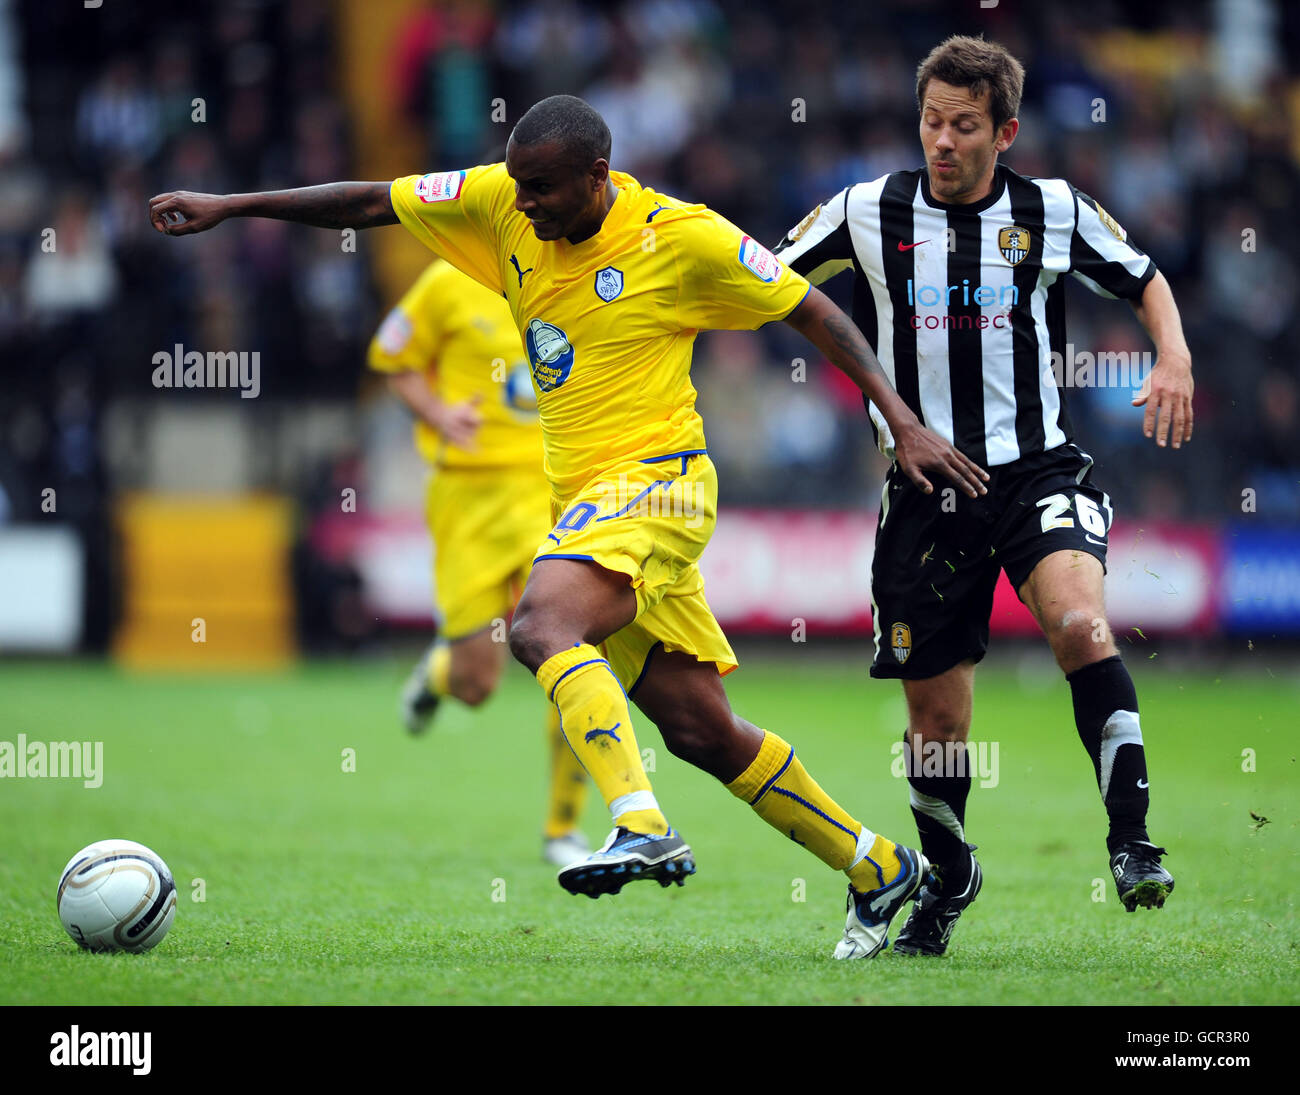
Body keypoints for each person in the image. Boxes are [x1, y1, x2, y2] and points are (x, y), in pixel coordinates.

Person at [149, 93, 988, 959]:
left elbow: (815, 310)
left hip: (661, 487)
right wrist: (233, 207)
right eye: (517, 184)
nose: (524, 203)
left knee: (541, 621)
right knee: (701, 728)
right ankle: (876, 863)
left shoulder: (683, 236)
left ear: (598, 176)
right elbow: (373, 200)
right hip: (584, 501)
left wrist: (900, 420)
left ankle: (640, 820)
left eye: (543, 188)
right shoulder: (501, 200)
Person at [774, 35, 1193, 955]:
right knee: (939, 722)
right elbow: (764, 279)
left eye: (965, 125)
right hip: (924, 493)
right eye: (931, 121)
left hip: (1037, 470)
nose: (943, 141)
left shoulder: (1053, 210)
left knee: (1082, 626)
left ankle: (1132, 842)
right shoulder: (864, 210)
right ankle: (949, 872)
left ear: (1004, 131)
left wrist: (1174, 355)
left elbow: (1147, 278)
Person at [367, 257, 591, 868]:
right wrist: (438, 414)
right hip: (469, 497)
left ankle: (562, 829)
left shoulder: (583, 270)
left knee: (573, 653)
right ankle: (439, 673)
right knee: (477, 684)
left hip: (558, 493)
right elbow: (394, 358)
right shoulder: (446, 280)